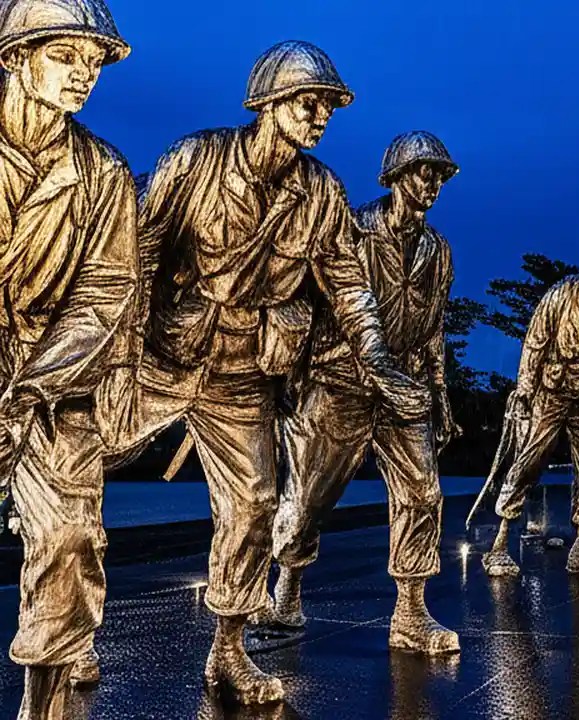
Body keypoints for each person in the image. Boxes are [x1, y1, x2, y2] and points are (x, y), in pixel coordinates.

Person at [99, 41, 429, 704]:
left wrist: (379, 360)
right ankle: (63, 631)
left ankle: (227, 651)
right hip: (162, 353)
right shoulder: (195, 159)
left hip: (241, 370)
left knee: (253, 505)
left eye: (328, 106)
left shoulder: (321, 191)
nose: (321, 116)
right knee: (78, 459)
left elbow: (347, 283)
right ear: (269, 104)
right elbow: (138, 255)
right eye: (309, 103)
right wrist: (120, 359)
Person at [257, 131, 460, 655]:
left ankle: (411, 612)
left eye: (439, 174)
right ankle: (288, 586)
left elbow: (434, 327)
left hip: (404, 388)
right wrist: (288, 372)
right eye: (423, 171)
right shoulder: (353, 228)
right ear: (395, 176)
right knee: (305, 502)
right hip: (339, 380)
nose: (432, 182)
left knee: (423, 494)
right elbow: (310, 297)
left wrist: (440, 392)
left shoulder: (439, 252)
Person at [0, 1, 139, 716]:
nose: (84, 74)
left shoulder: (104, 172)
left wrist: (30, 385)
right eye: (65, 56)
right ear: (15, 57)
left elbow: (106, 288)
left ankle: (45, 706)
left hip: (53, 379)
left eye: (93, 62)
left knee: (71, 539)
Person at [481, 223, 579, 577]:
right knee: (530, 460)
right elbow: (536, 340)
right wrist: (524, 391)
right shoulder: (565, 292)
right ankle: (499, 544)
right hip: (551, 389)